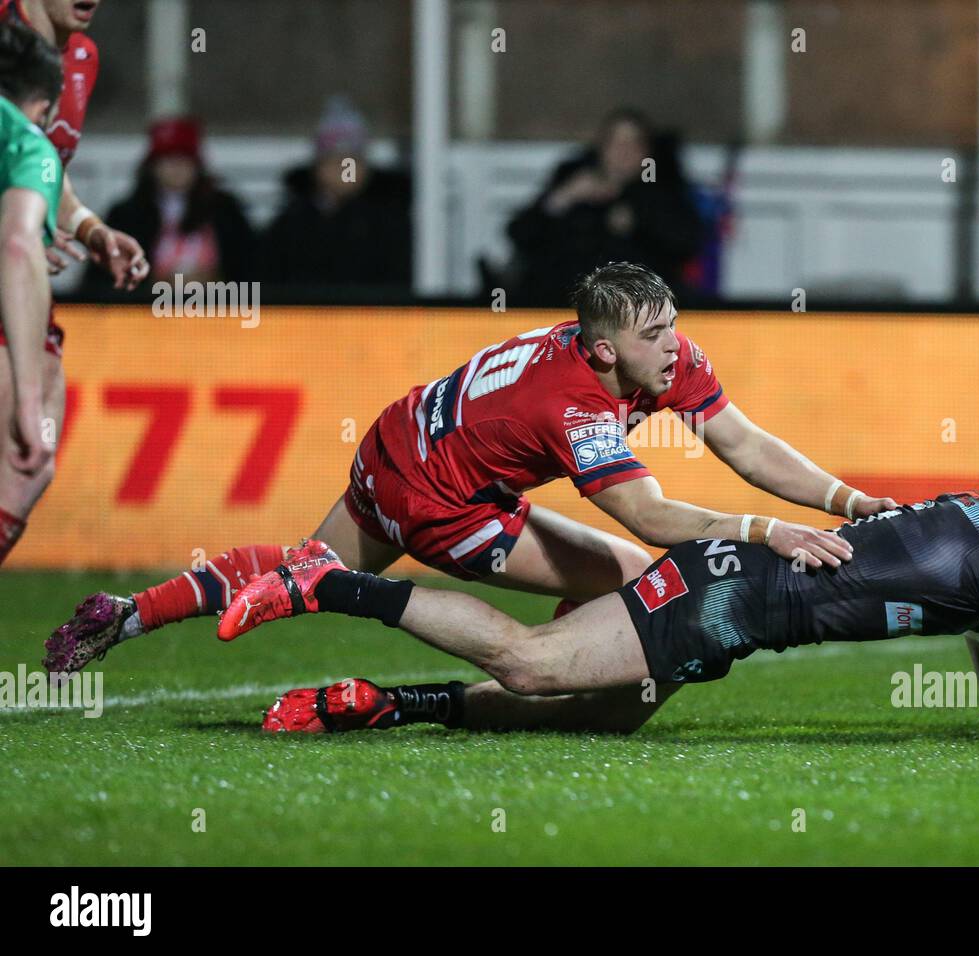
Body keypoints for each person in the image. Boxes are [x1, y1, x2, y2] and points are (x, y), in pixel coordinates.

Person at [45, 262, 897, 735]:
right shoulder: (575, 401)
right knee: (636, 575)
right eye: (654, 335)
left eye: (674, 323)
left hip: (398, 437)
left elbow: (743, 444)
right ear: (602, 351)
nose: (675, 348)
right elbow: (648, 516)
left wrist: (849, 500)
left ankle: (129, 613)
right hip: (442, 497)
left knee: (300, 566)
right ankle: (553, 681)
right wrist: (771, 530)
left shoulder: (652, 355)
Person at [238, 418, 979, 749]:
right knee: (532, 662)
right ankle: (322, 585)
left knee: (602, 721)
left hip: (726, 607)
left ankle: (381, 703)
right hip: (712, 596)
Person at [0, 0, 150, 566]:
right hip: (10, 262)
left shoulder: (80, 57)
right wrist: (19, 227)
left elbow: (42, 164)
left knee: (29, 465)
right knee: (26, 452)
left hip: (17, 268)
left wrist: (88, 229)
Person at [503, 109, 702, 306]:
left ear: (647, 152)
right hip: (560, 302)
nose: (624, 151)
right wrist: (562, 198)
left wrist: (640, 219)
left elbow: (688, 242)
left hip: (634, 309)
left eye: (633, 143)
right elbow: (519, 234)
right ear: (601, 147)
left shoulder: (662, 189)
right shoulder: (572, 179)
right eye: (616, 142)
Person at [0, 20, 63, 563]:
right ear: (41, 106)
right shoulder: (27, 144)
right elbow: (18, 248)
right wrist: (26, 400)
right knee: (27, 472)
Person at [79, 116, 255, 292]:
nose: (176, 167)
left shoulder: (225, 211)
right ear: (152, 166)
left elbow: (250, 270)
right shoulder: (127, 216)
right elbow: (102, 279)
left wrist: (214, 281)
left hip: (217, 312)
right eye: (167, 159)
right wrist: (156, 283)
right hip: (145, 313)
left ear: (197, 165)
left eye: (184, 159)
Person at [259, 95, 411, 289]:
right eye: (335, 160)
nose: (345, 170)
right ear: (318, 167)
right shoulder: (292, 225)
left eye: (352, 161)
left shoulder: (388, 225)